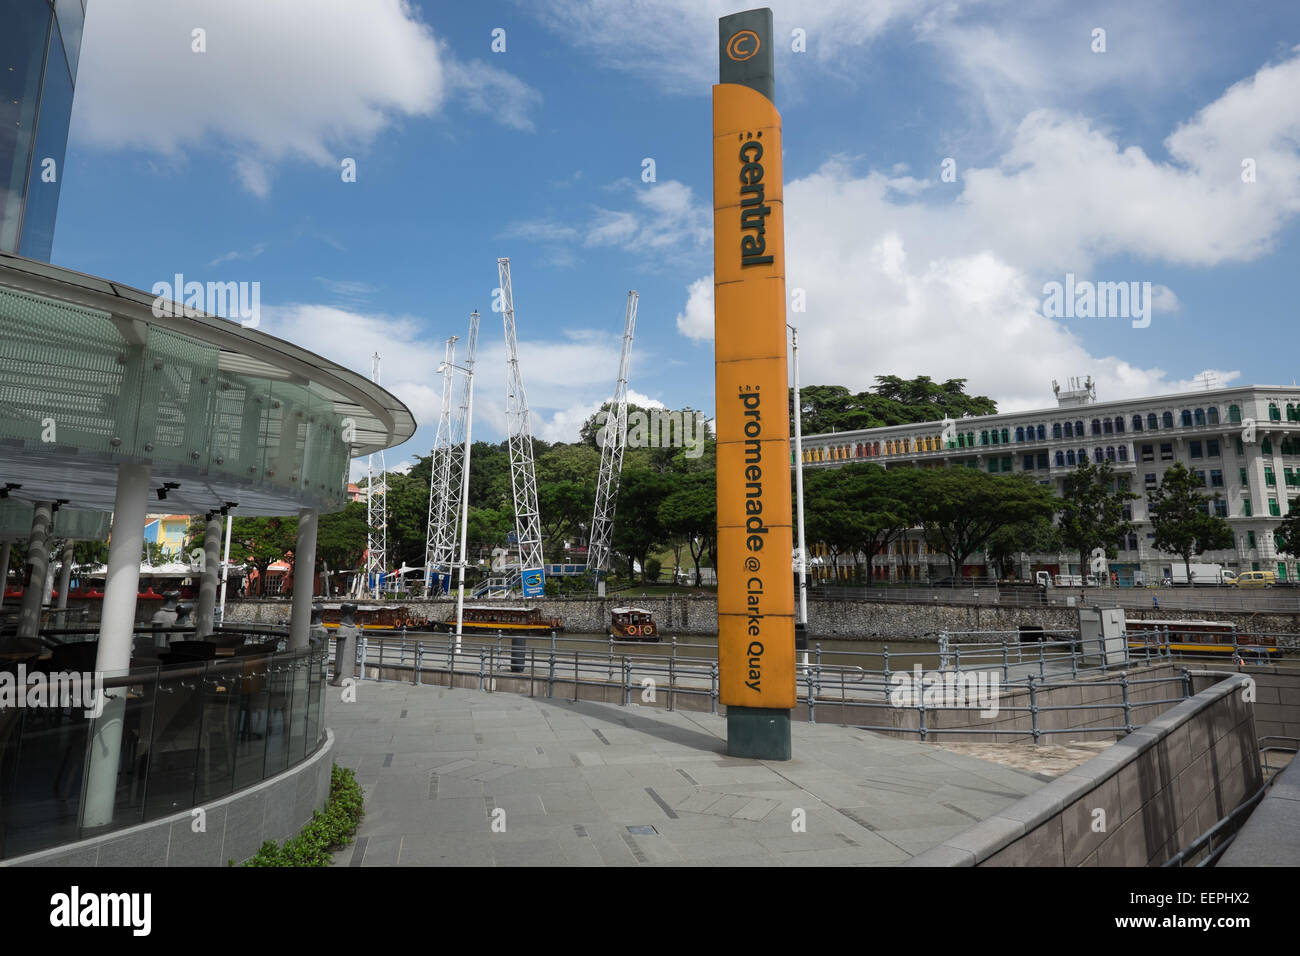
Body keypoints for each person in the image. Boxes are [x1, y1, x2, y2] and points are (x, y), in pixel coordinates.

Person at [330, 602, 359, 686]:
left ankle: (339, 680)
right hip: (350, 671)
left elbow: (339, 654)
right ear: (354, 612)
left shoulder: (342, 629)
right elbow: (355, 652)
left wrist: (337, 670)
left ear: (342, 612)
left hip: (340, 676)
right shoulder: (356, 629)